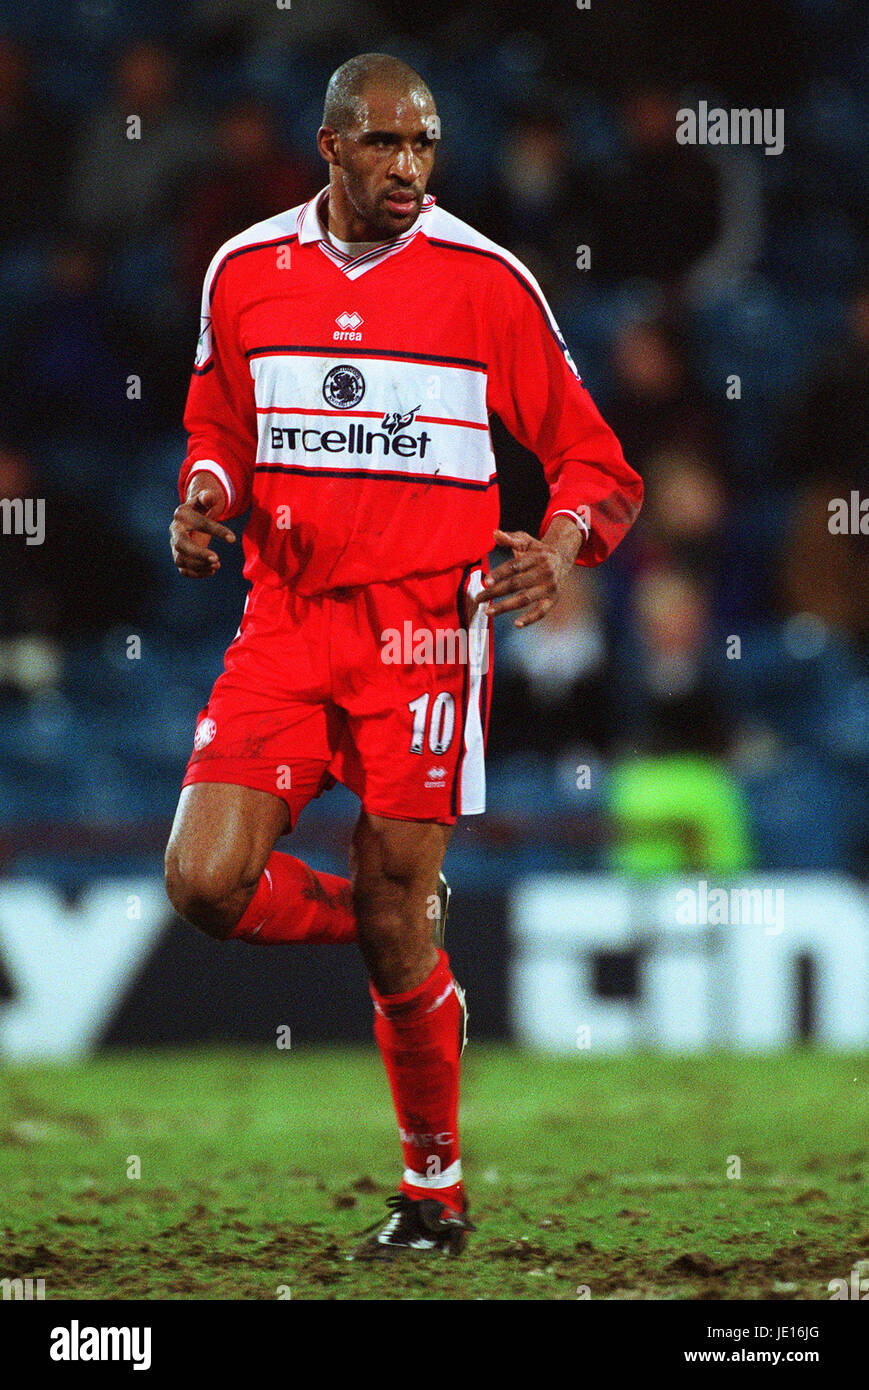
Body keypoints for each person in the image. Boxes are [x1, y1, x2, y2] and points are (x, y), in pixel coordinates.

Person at [163, 52, 642, 1258]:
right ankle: (400, 930)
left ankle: (433, 1189)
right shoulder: (247, 271)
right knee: (203, 884)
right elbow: (218, 424)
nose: (409, 168)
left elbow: (592, 456)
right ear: (330, 148)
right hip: (283, 620)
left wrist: (564, 541)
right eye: (385, 145)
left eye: (425, 144)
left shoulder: (483, 280)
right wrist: (206, 495)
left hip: (424, 634)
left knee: (394, 907)